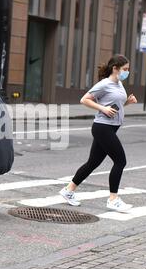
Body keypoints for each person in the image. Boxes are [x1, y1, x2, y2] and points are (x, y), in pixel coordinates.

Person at [59, 54, 138, 212]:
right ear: (115, 68)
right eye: (125, 69)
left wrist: (126, 103)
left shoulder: (119, 84)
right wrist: (102, 109)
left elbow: (113, 104)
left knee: (93, 162)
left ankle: (68, 190)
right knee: (120, 161)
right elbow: (84, 99)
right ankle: (113, 199)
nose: (127, 72)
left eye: (128, 69)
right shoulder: (104, 84)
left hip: (110, 127)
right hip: (103, 127)